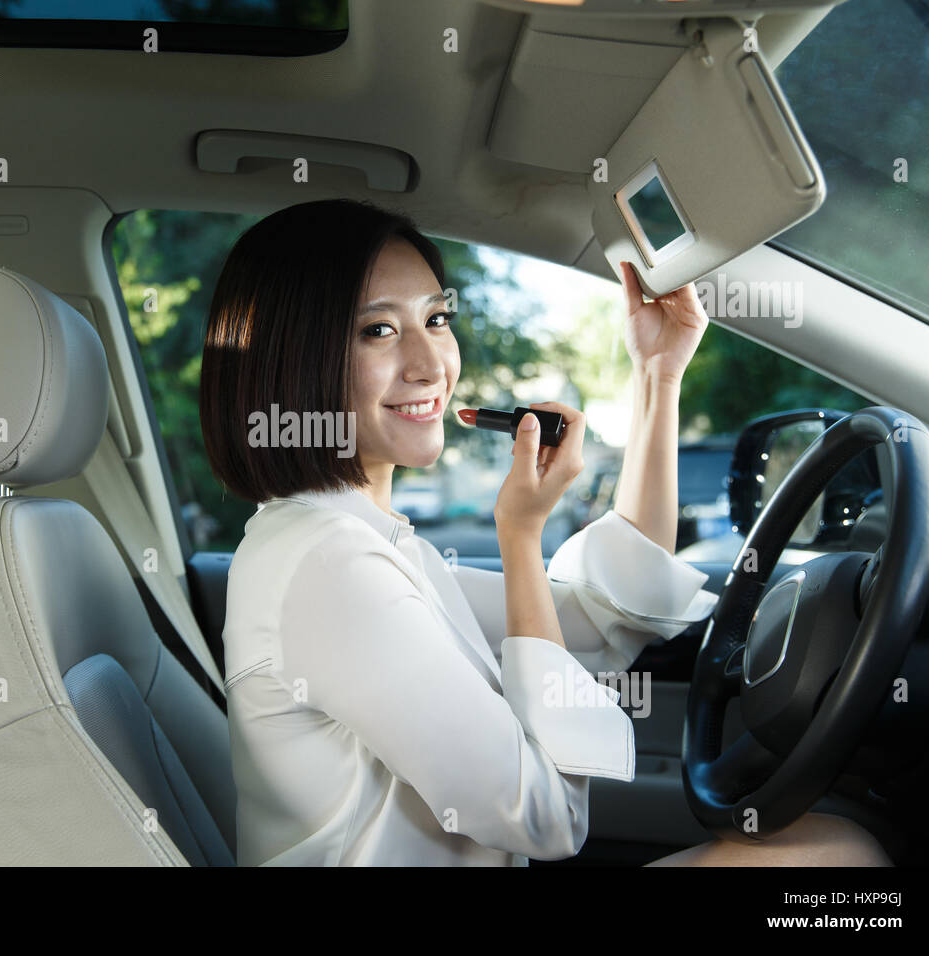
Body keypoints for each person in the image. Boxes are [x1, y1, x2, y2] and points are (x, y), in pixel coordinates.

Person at [199, 198, 890, 867]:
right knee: (840, 857)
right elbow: (549, 816)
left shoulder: (357, 540)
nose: (430, 364)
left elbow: (603, 618)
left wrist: (658, 373)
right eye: (378, 330)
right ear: (291, 359)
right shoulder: (330, 566)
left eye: (437, 318)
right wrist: (520, 537)